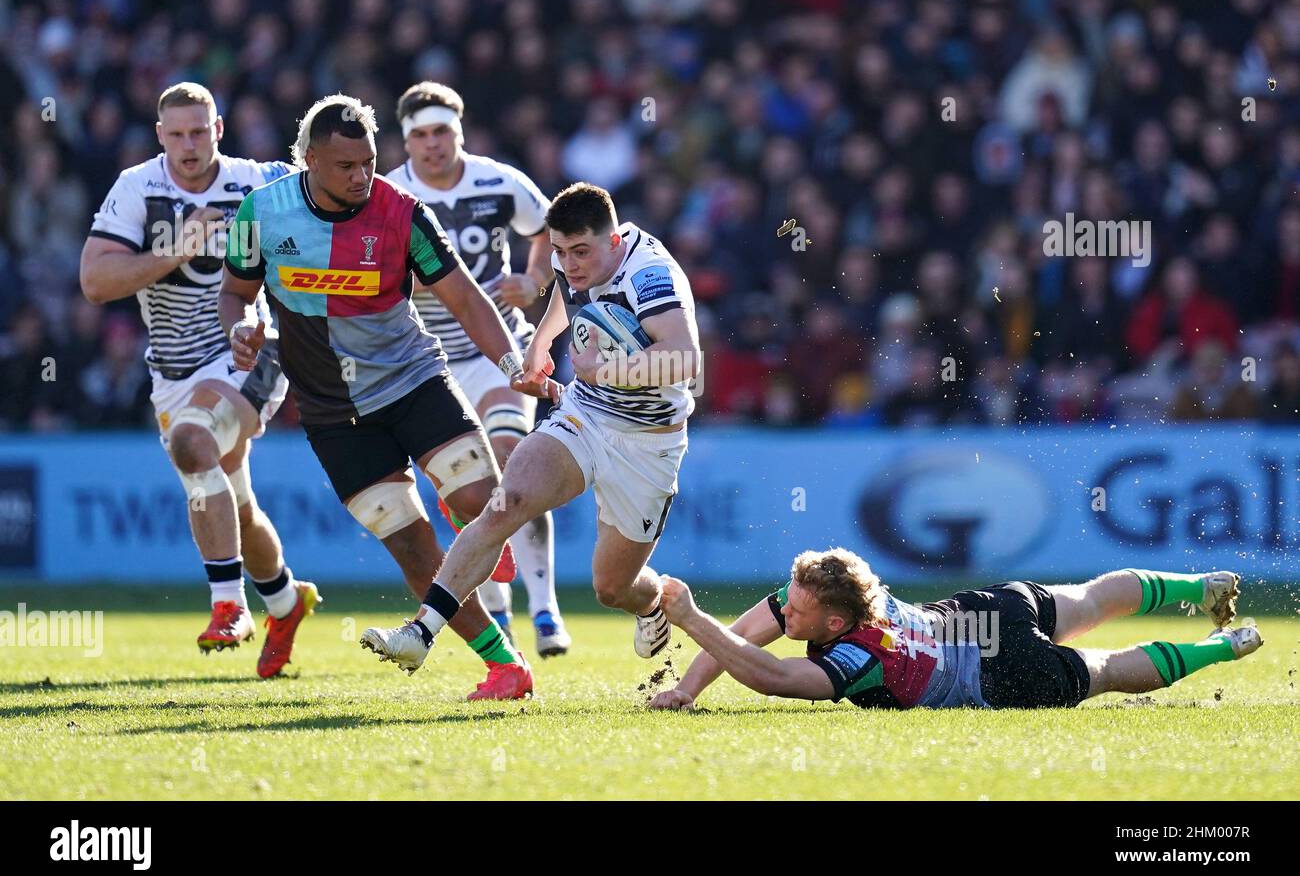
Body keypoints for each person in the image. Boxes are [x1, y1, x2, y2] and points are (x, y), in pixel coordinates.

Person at [219, 94, 560, 700]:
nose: (361, 177)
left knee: (484, 498)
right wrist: (240, 327)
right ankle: (506, 666)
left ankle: (472, 521)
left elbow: (465, 297)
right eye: (346, 166)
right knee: (411, 546)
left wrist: (513, 366)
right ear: (310, 159)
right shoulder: (260, 213)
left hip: (412, 382)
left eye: (369, 163)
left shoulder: (403, 213)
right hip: (331, 412)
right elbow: (235, 292)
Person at [359, 182, 700, 674]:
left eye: (580, 251)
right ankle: (421, 631)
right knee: (507, 502)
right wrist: (540, 345)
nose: (569, 263)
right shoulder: (571, 258)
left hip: (648, 442)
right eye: (560, 251)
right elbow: (565, 289)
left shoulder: (650, 275)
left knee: (612, 587)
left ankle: (652, 604)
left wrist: (603, 371)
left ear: (614, 242)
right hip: (586, 415)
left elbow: (684, 358)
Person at [80, 81, 313, 679]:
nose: (189, 146)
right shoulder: (138, 187)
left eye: (199, 132)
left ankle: (229, 606)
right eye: (177, 134)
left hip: (251, 351)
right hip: (172, 370)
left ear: (219, 130)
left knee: (192, 440)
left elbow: (332, 197)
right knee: (236, 503)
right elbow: (96, 283)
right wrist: (177, 250)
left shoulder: (256, 181)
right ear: (160, 136)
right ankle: (284, 601)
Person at [385, 82, 569, 656]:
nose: (432, 144)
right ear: (406, 141)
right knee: (474, 491)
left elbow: (552, 233)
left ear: (460, 131)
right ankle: (499, 610)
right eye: (420, 134)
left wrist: (534, 280)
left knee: (515, 462)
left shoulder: (498, 181)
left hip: (497, 351)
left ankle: (546, 608)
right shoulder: (390, 194)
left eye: (441, 131)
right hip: (428, 362)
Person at [649, 548, 1262, 711]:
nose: (785, 616)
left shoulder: (859, 655)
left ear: (834, 623)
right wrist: (688, 688)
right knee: (1095, 598)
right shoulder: (831, 589)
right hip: (989, 612)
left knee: (1108, 670)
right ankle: (1198, 586)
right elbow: (749, 635)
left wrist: (692, 618)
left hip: (1002, 676)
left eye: (796, 613)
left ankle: (1219, 648)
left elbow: (773, 676)